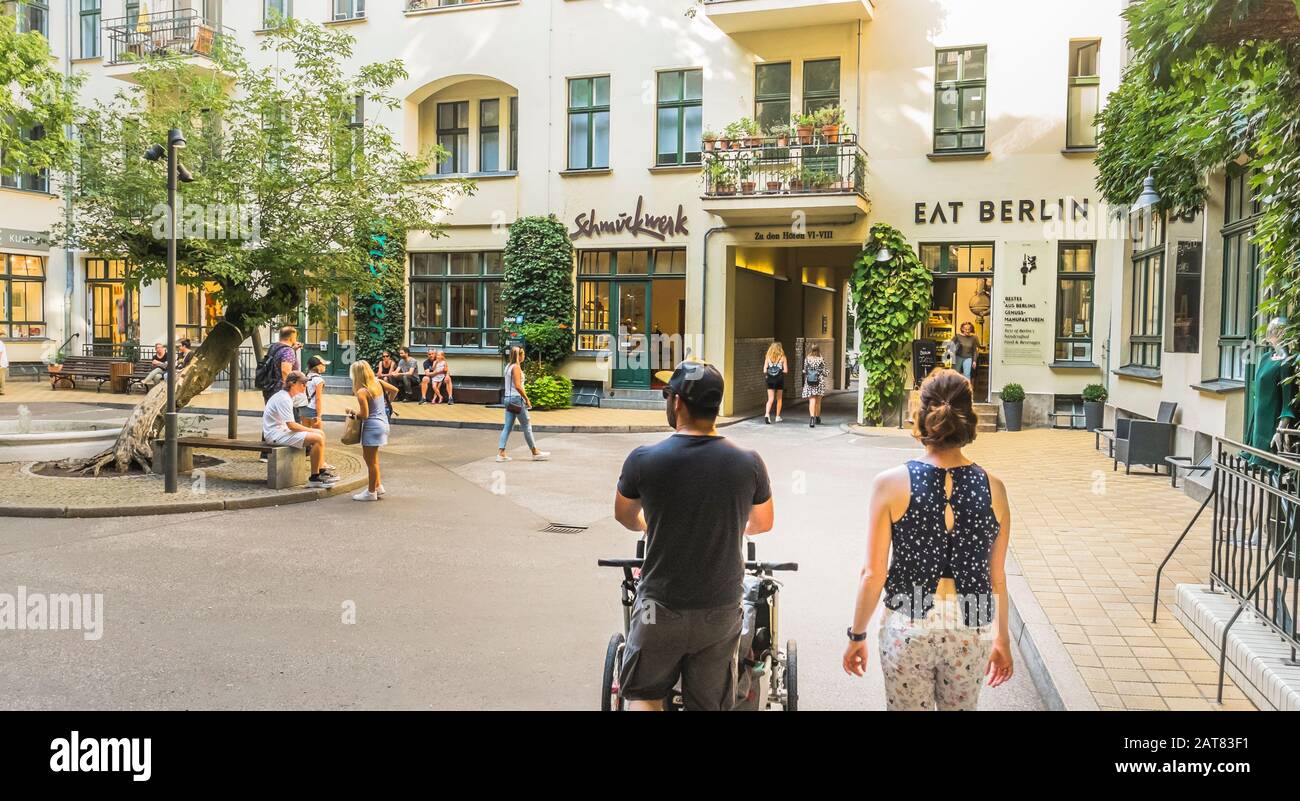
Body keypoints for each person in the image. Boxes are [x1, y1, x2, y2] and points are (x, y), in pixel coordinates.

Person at [841, 369, 1014, 710]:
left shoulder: (890, 483)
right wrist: (1002, 639)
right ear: (969, 421)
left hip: (908, 619)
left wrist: (856, 635)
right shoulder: (995, 488)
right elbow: (997, 578)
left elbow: (873, 574)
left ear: (922, 417)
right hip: (973, 621)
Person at [613, 360, 775, 711]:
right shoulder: (748, 462)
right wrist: (729, 524)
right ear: (716, 406)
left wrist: (648, 525)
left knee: (645, 696)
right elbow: (763, 522)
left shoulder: (644, 460)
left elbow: (624, 514)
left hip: (659, 607)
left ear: (678, 403)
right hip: (719, 609)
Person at [262, 371, 338, 489]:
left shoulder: (286, 396)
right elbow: (292, 425)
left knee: (320, 434)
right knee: (317, 437)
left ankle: (321, 471)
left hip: (280, 431)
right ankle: (314, 477)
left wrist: (311, 430)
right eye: (303, 383)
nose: (305, 386)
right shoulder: (284, 399)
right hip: (274, 435)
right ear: (293, 383)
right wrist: (310, 430)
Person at [348, 360, 397, 502]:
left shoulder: (362, 391)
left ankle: (370, 492)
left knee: (371, 461)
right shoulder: (378, 382)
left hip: (372, 426)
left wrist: (352, 413)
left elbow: (364, 415)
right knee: (373, 459)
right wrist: (388, 404)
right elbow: (394, 390)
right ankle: (378, 486)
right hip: (383, 424)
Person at [496, 345, 550, 463]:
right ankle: (535, 452)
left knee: (508, 426)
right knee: (526, 425)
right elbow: (518, 385)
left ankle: (501, 453)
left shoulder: (508, 367)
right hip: (516, 399)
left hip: (508, 399)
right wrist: (526, 398)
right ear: (519, 356)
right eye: (523, 354)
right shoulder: (515, 368)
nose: (524, 356)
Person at [260, 326, 301, 402]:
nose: (296, 340)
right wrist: (290, 389)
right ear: (291, 338)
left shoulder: (273, 347)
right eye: (295, 337)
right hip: (280, 391)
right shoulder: (288, 351)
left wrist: (293, 349)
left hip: (269, 387)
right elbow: (285, 371)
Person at [801, 344, 830, 428]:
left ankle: (812, 419)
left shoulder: (807, 359)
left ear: (811, 350)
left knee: (812, 400)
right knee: (818, 401)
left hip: (810, 381)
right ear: (818, 350)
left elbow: (805, 370)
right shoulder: (821, 359)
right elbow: (824, 372)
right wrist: (828, 372)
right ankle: (817, 417)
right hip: (819, 381)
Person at [300, 355, 329, 430]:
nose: (325, 366)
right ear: (319, 366)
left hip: (303, 408)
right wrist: (319, 416)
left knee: (306, 434)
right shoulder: (319, 380)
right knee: (318, 435)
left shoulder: (305, 377)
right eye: (324, 365)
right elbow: (318, 399)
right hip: (313, 409)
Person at [762, 341, 788, 424]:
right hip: (779, 380)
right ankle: (777, 416)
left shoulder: (768, 357)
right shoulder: (783, 357)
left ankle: (767, 414)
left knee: (770, 399)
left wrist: (771, 371)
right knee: (779, 398)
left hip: (770, 380)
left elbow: (764, 370)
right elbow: (786, 371)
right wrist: (779, 370)